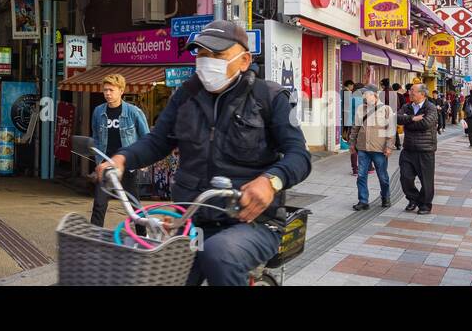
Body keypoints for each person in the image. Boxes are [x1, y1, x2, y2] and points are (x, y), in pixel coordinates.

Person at [95, 20, 311, 286]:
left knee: (219, 254)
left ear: (244, 60)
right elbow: (157, 141)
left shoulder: (271, 97)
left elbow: (299, 155)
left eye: (218, 55)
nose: (208, 62)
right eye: (203, 55)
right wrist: (122, 158)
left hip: (251, 223)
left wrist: (271, 181)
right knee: (152, 271)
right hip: (189, 220)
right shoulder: (186, 95)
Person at [89, 74, 151, 226]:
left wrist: (142, 159)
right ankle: (94, 237)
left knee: (134, 205)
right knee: (99, 204)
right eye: (105, 90)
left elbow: (146, 137)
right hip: (106, 165)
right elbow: (96, 135)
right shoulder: (98, 111)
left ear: (121, 90)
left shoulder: (133, 112)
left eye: (111, 90)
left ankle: (144, 235)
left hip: (127, 165)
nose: (107, 93)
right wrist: (99, 159)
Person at [350, 86, 395, 210]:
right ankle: (363, 201)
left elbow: (391, 130)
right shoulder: (361, 109)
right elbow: (355, 128)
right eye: (364, 97)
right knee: (361, 175)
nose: (365, 99)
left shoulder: (386, 109)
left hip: (379, 149)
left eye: (367, 96)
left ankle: (385, 197)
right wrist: (352, 144)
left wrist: (389, 147)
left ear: (375, 96)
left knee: (382, 176)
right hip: (363, 148)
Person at [397, 82, 438, 214]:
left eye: (413, 91)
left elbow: (425, 124)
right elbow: (397, 118)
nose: (410, 93)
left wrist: (407, 123)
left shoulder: (430, 108)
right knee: (405, 178)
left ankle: (425, 205)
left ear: (422, 93)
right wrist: (413, 118)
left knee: (426, 181)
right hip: (408, 149)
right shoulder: (407, 106)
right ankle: (414, 199)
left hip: (425, 150)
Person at [341, 80, 358, 175]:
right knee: (347, 131)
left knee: (347, 130)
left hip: (347, 116)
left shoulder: (344, 92)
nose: (353, 87)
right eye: (352, 85)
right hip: (349, 117)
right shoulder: (347, 93)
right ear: (350, 85)